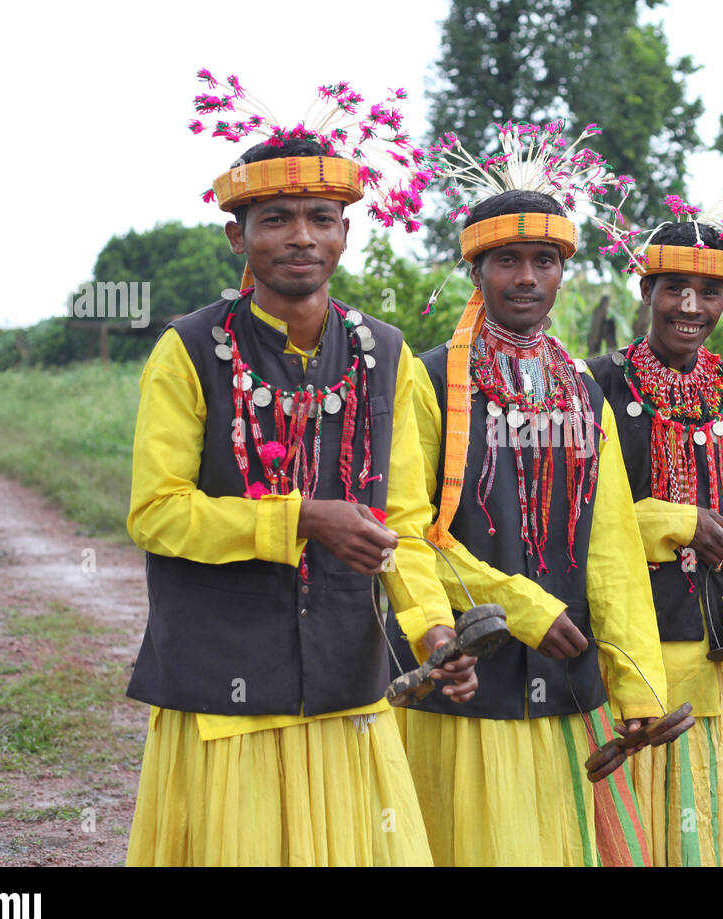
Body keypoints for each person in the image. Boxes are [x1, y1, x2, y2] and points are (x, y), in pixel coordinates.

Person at [124, 75, 475, 866]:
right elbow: (157, 512)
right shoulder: (187, 350)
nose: (300, 237)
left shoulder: (387, 356)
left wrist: (432, 630)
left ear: (346, 234)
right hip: (224, 681)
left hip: (349, 675)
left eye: (321, 219)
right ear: (237, 237)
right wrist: (300, 519)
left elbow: (406, 529)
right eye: (274, 219)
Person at [389, 123, 669, 866]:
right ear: (476, 270)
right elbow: (407, 530)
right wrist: (520, 607)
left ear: (562, 274)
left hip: (566, 676)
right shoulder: (426, 377)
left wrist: (637, 685)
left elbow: (610, 546)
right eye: (504, 260)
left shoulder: (583, 391)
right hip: (463, 672)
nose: (525, 278)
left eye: (543, 261)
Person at [587, 214, 723, 867]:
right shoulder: (597, 384)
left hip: (722, 662)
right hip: (641, 656)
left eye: (708, 293)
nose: (690, 306)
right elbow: (590, 515)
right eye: (673, 287)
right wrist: (676, 521)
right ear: (645, 289)